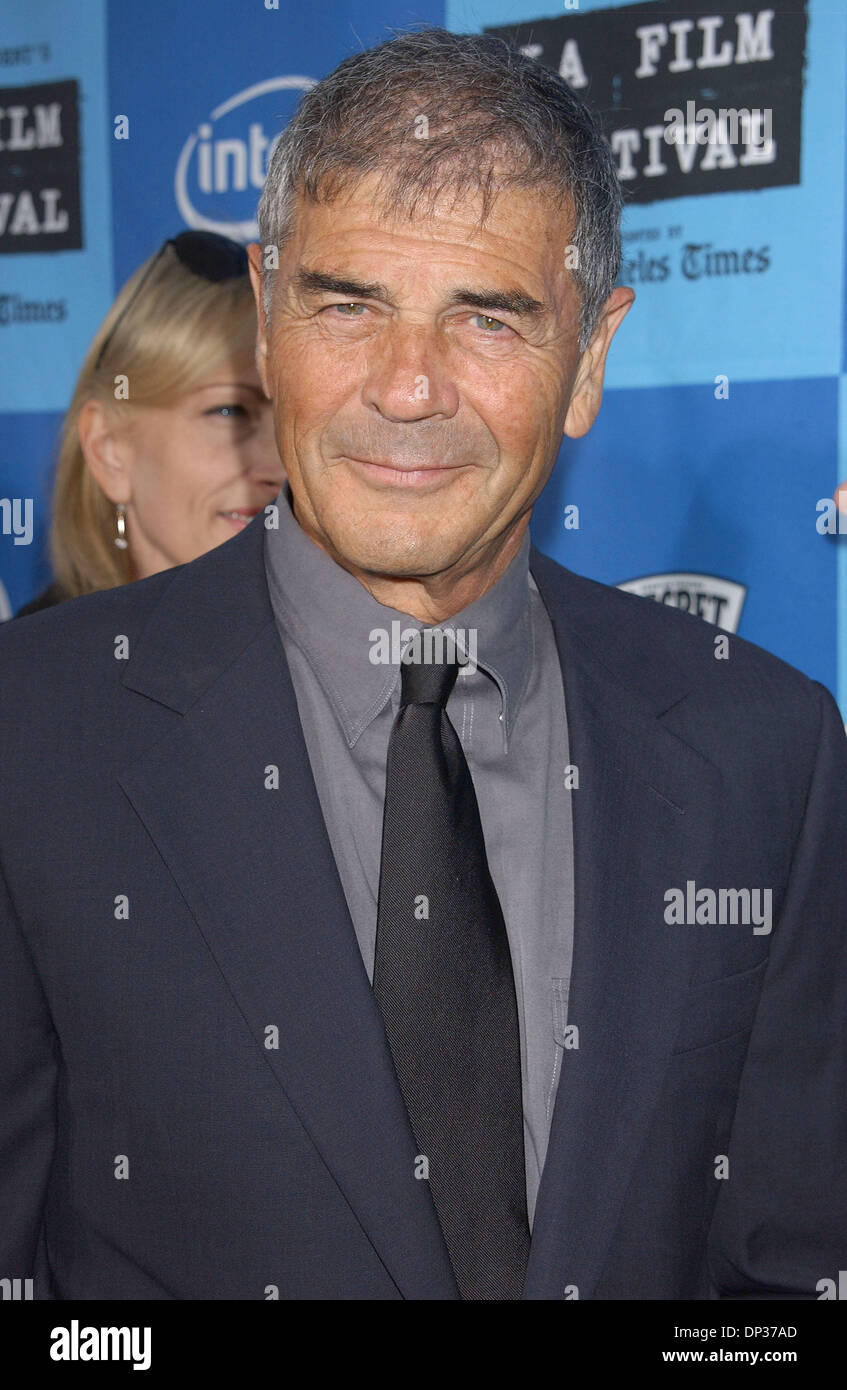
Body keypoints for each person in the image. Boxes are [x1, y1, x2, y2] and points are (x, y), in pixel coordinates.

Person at [0, 27, 845, 1302]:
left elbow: (782, 1282)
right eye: (348, 305)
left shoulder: (758, 745)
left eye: (487, 319)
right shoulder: (36, 731)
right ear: (269, 319)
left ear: (589, 358)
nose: (407, 388)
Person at [14, 230, 283, 617]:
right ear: (110, 450)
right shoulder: (25, 671)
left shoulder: (362, 657)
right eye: (229, 412)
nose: (279, 466)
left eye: (290, 416)